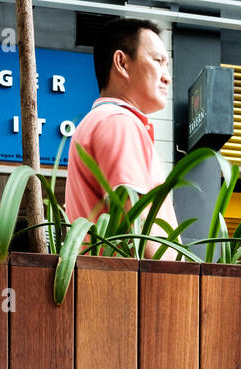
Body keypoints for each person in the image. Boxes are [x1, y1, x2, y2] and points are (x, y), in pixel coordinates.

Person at [65, 18, 178, 241]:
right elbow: (138, 231)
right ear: (122, 63)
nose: (167, 77)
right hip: (133, 276)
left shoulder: (98, 121)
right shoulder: (119, 122)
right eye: (158, 61)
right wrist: (185, 276)